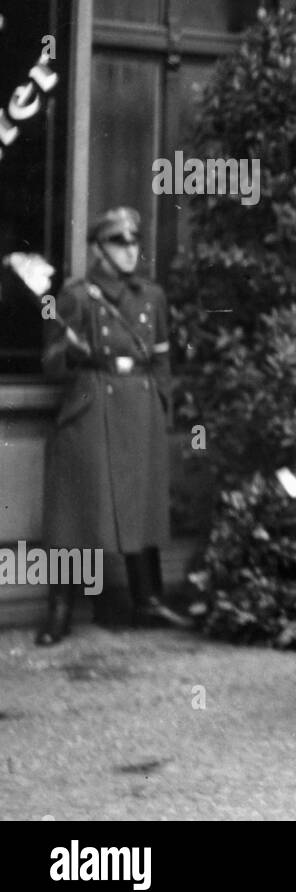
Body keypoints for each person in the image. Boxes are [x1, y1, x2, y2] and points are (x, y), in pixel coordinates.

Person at [35, 206, 187, 646]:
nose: (129, 250)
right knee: (75, 507)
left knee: (142, 503)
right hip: (93, 402)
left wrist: (161, 403)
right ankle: (60, 609)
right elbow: (50, 362)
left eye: (134, 242)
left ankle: (147, 599)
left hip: (140, 406)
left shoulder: (152, 296)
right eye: (119, 242)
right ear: (99, 249)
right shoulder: (77, 296)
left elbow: (161, 357)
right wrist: (70, 351)